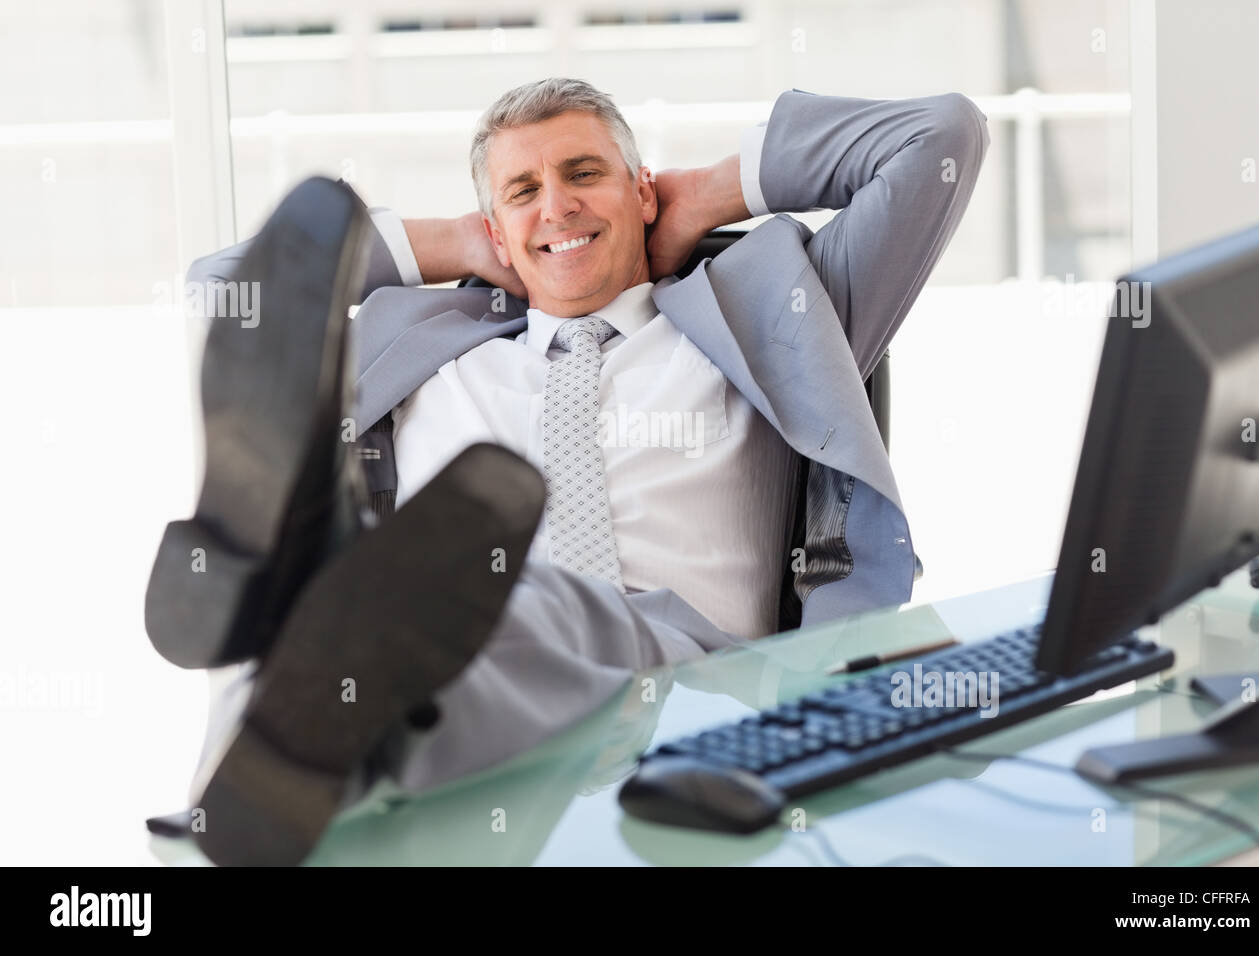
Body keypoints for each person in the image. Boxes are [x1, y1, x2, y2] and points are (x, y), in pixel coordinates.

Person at [146, 77, 989, 865]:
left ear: (642, 191)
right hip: (458, 702)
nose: (557, 204)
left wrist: (709, 190)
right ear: (496, 231)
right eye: (523, 192)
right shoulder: (427, 346)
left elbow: (939, 138)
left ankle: (290, 630)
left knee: (503, 593)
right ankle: (272, 737)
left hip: (688, 693)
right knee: (364, 624)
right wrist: (452, 242)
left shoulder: (773, 308)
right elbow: (229, 295)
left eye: (585, 173)